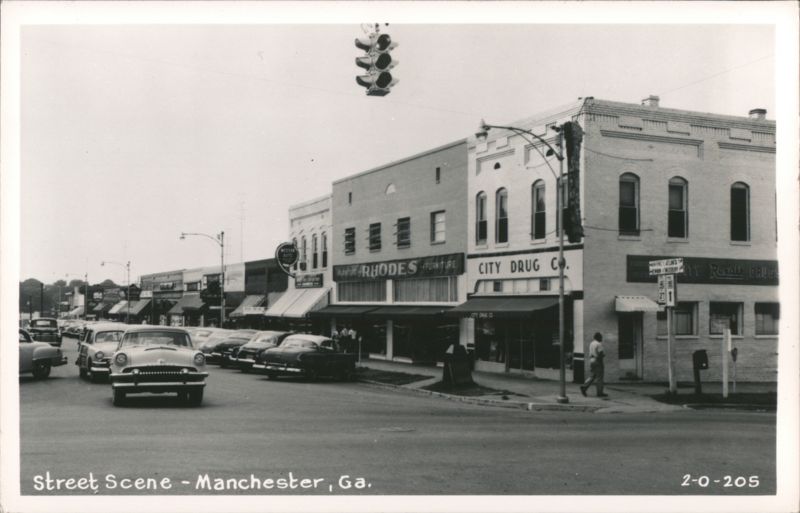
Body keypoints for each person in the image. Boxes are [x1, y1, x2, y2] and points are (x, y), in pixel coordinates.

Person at [580, 332, 608, 398]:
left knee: (592, 376)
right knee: (600, 377)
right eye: (601, 337)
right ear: (598, 337)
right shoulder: (599, 344)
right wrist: (603, 355)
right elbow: (600, 353)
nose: (602, 338)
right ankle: (600, 392)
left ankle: (584, 386)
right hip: (598, 361)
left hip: (592, 360)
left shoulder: (592, 343)